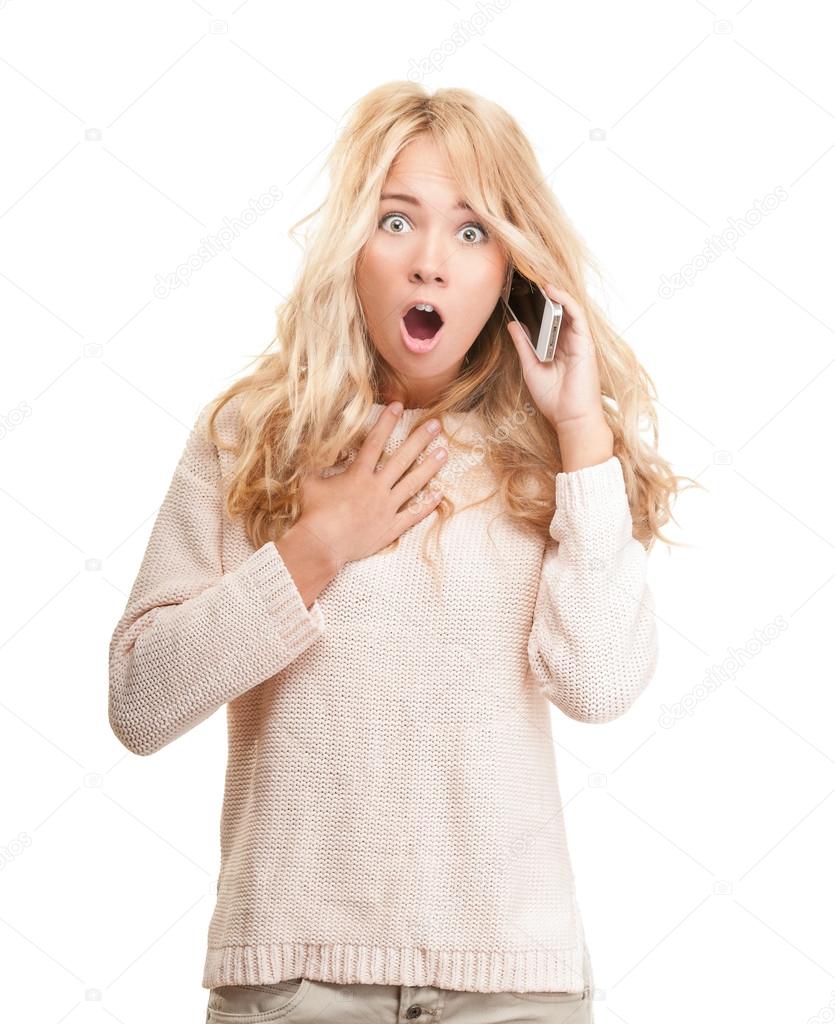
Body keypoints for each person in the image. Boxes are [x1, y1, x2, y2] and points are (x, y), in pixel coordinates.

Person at [108, 81, 692, 1024]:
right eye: (395, 221)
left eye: (471, 232)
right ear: (351, 248)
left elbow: (601, 684)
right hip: (293, 981)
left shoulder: (555, 454)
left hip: (511, 985)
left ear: (511, 269)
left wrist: (582, 427)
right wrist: (316, 545)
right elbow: (139, 700)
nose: (429, 264)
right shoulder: (249, 436)